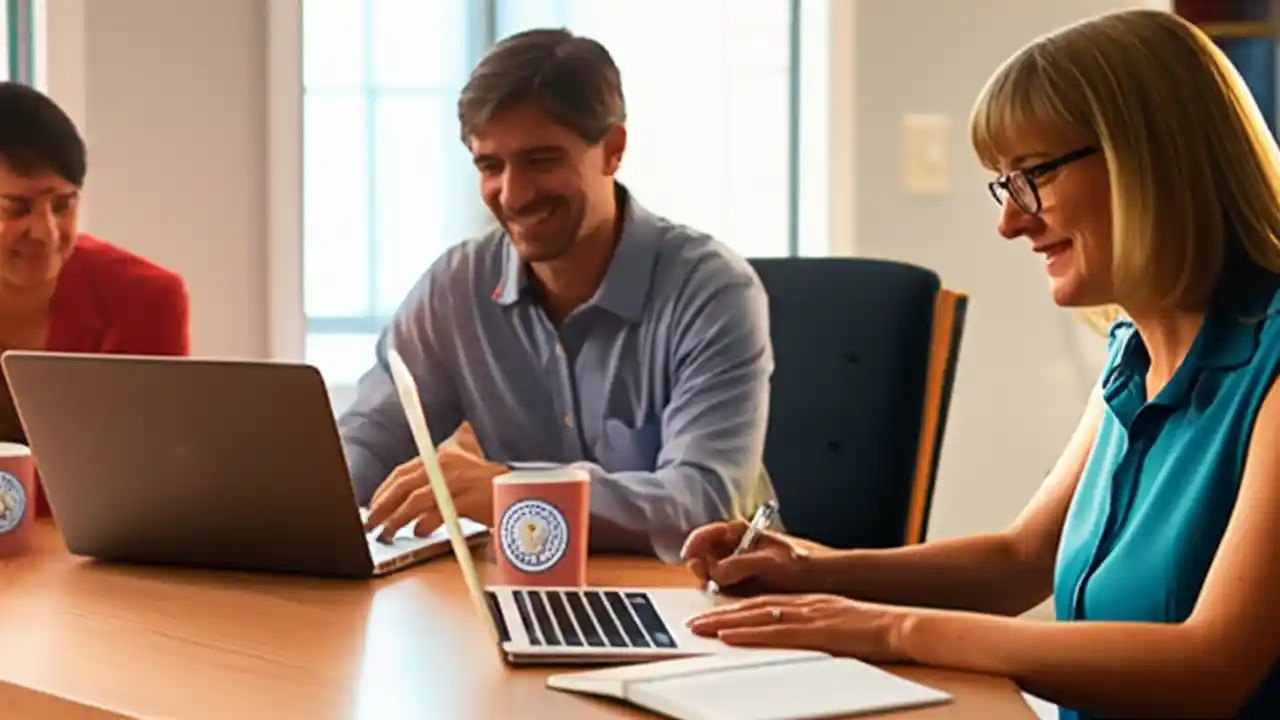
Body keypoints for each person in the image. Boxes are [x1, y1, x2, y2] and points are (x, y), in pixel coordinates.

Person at [680, 9, 1278, 719]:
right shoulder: (1135, 350)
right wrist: (806, 569)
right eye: (1006, 183)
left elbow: (1212, 666)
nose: (1011, 220)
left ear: (1152, 156)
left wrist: (889, 629)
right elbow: (1016, 562)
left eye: (1033, 175)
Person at [342, 28, 775, 563]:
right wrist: (301, 497)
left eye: (541, 160)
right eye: (490, 166)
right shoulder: (455, 290)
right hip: (521, 591)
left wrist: (511, 492)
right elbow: (368, 441)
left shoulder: (713, 292)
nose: (514, 194)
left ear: (612, 150)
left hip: (697, 602)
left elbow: (704, 503)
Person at [0, 82, 189, 518]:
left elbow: (142, 479)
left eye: (63, 205)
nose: (45, 233)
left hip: (94, 561)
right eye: (18, 208)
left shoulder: (146, 299)